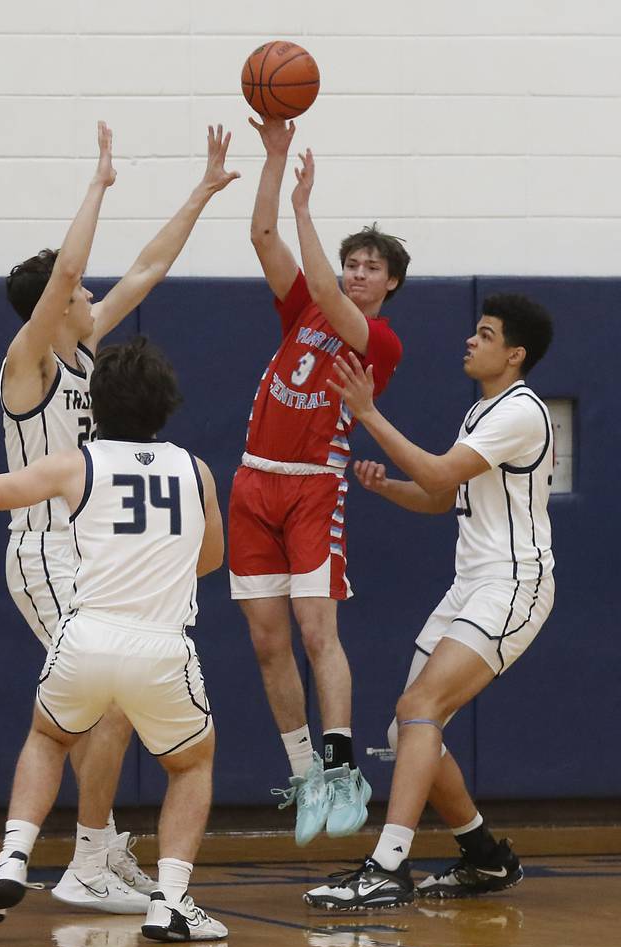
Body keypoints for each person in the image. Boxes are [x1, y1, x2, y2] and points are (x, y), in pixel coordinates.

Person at [0, 336, 228, 943]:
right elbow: (212, 559)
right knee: (190, 765)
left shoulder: (74, 464)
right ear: (166, 405)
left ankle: (13, 857)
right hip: (161, 645)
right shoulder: (198, 472)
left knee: (48, 736)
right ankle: (169, 902)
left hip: (84, 637)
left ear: (97, 405)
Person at [0, 121, 238, 912]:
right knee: (104, 698)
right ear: (53, 305)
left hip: (93, 548)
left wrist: (201, 191)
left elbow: (149, 266)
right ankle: (90, 856)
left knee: (116, 698)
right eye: (79, 292)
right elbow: (72, 266)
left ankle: (92, 852)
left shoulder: (86, 344)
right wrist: (98, 184)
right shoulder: (28, 360)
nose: (93, 294)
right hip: (44, 548)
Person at [304, 293, 554, 910]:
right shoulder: (482, 412)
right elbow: (442, 498)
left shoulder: (521, 411)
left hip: (512, 585)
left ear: (514, 354)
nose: (472, 341)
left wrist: (367, 413)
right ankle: (485, 857)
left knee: (419, 705)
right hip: (470, 585)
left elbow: (441, 476)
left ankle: (387, 865)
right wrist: (388, 486)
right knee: (408, 725)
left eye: (486, 334)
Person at [230, 117, 411, 846]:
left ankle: (341, 766)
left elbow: (336, 304)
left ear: (390, 283)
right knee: (269, 642)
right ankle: (305, 772)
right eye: (352, 261)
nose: (357, 271)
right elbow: (262, 238)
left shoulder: (380, 338)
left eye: (370, 266)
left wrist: (309, 209)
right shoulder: (301, 307)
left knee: (314, 630)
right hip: (253, 484)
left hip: (312, 486)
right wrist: (274, 161)